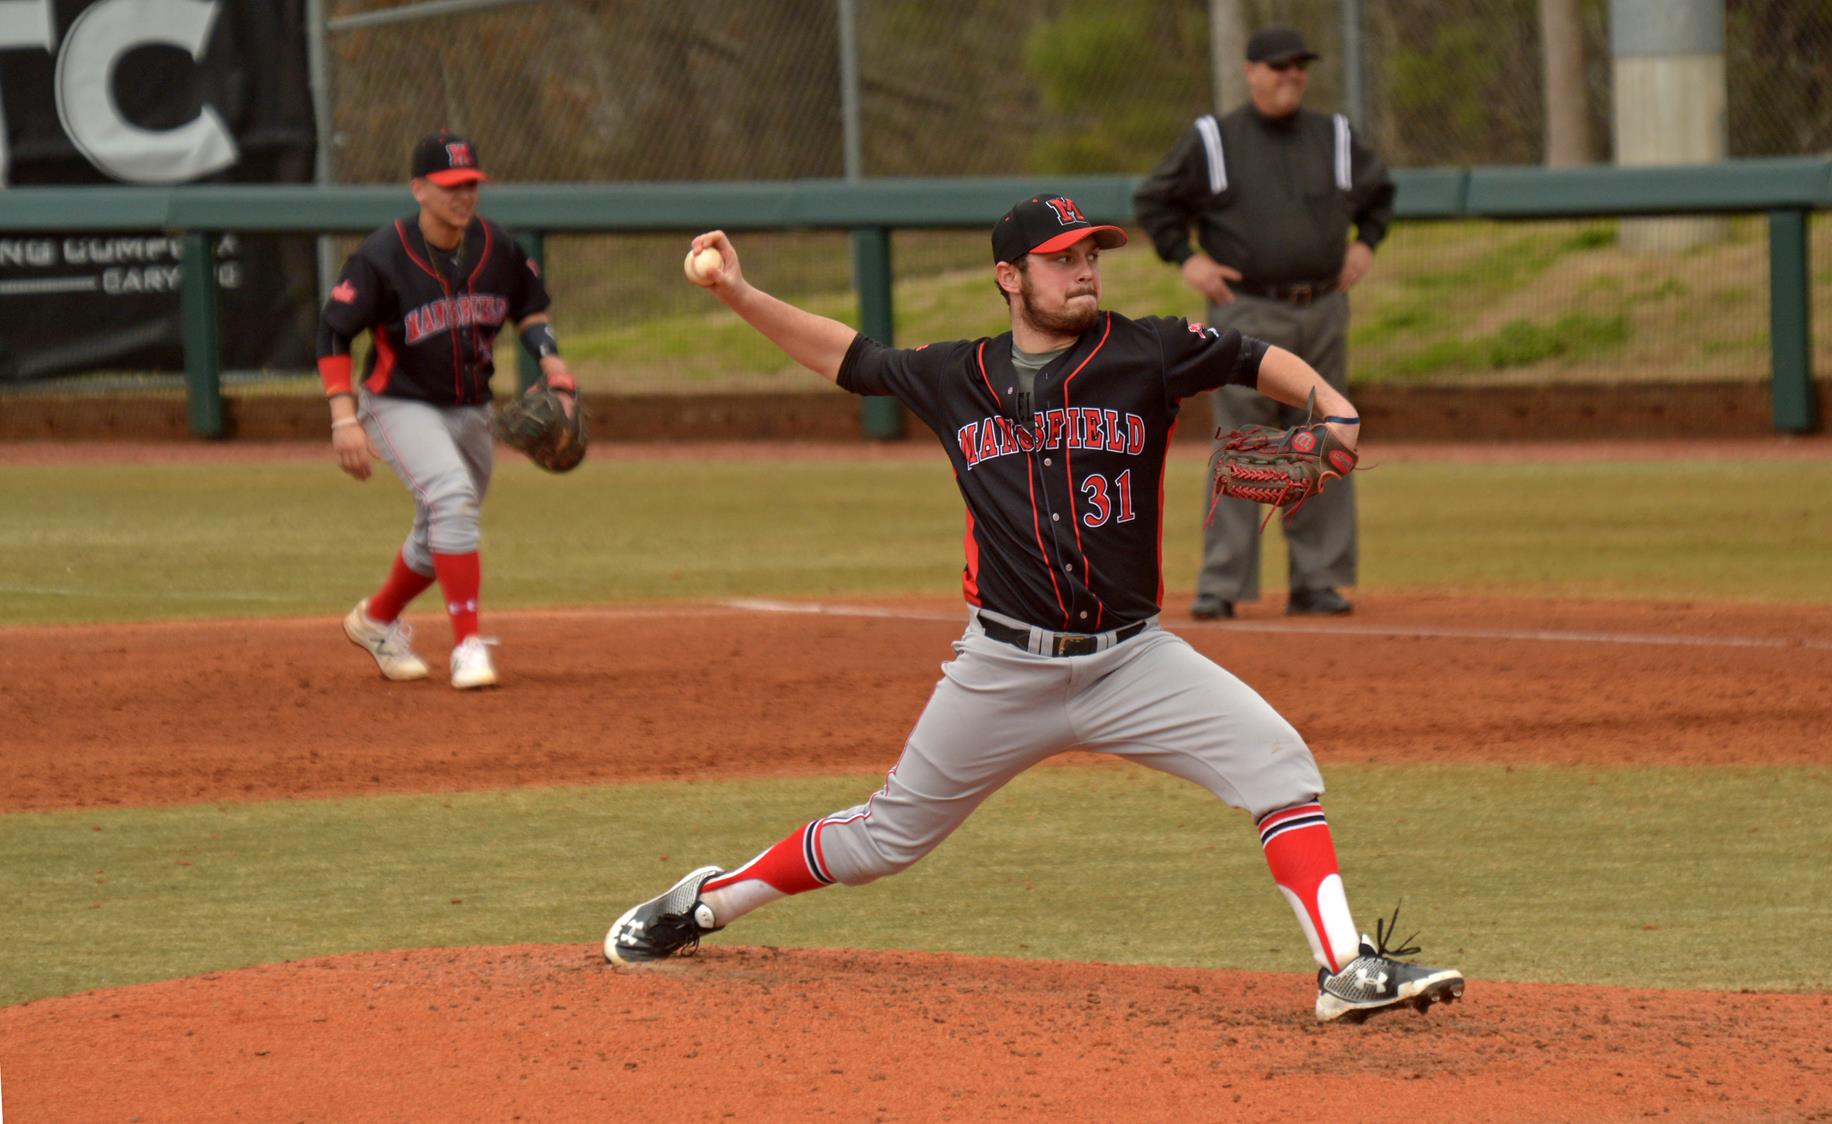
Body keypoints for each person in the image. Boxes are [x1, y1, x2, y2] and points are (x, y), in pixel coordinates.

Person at [602, 195, 1463, 1024]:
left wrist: (1335, 409)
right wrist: (738, 293)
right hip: (1004, 667)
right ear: (1010, 277)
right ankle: (704, 904)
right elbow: (851, 359)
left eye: (1091, 256)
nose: (1085, 272)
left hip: (1134, 661)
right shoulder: (956, 376)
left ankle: (1345, 968)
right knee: (885, 842)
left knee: (1279, 764)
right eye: (1062, 260)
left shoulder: (1147, 353)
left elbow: (1247, 355)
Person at [1133, 24, 1395, 620]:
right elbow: (1156, 201)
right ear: (1250, 72)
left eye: (1299, 66)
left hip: (1322, 307)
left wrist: (1366, 243)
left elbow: (1381, 195)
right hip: (1246, 309)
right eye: (1278, 66)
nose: (1290, 76)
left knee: (1326, 435)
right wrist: (1188, 259)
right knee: (1243, 442)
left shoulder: (1333, 134)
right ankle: (1222, 584)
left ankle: (1316, 579)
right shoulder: (1214, 138)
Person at [318, 130, 576, 690]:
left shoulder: (497, 247)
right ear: (419, 189)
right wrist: (343, 419)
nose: (463, 195)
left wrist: (552, 364)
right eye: (450, 185)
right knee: (453, 501)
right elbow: (333, 333)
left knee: (444, 524)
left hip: (469, 408)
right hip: (396, 402)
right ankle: (468, 646)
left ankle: (376, 620)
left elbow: (530, 313)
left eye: (470, 185)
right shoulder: (382, 255)